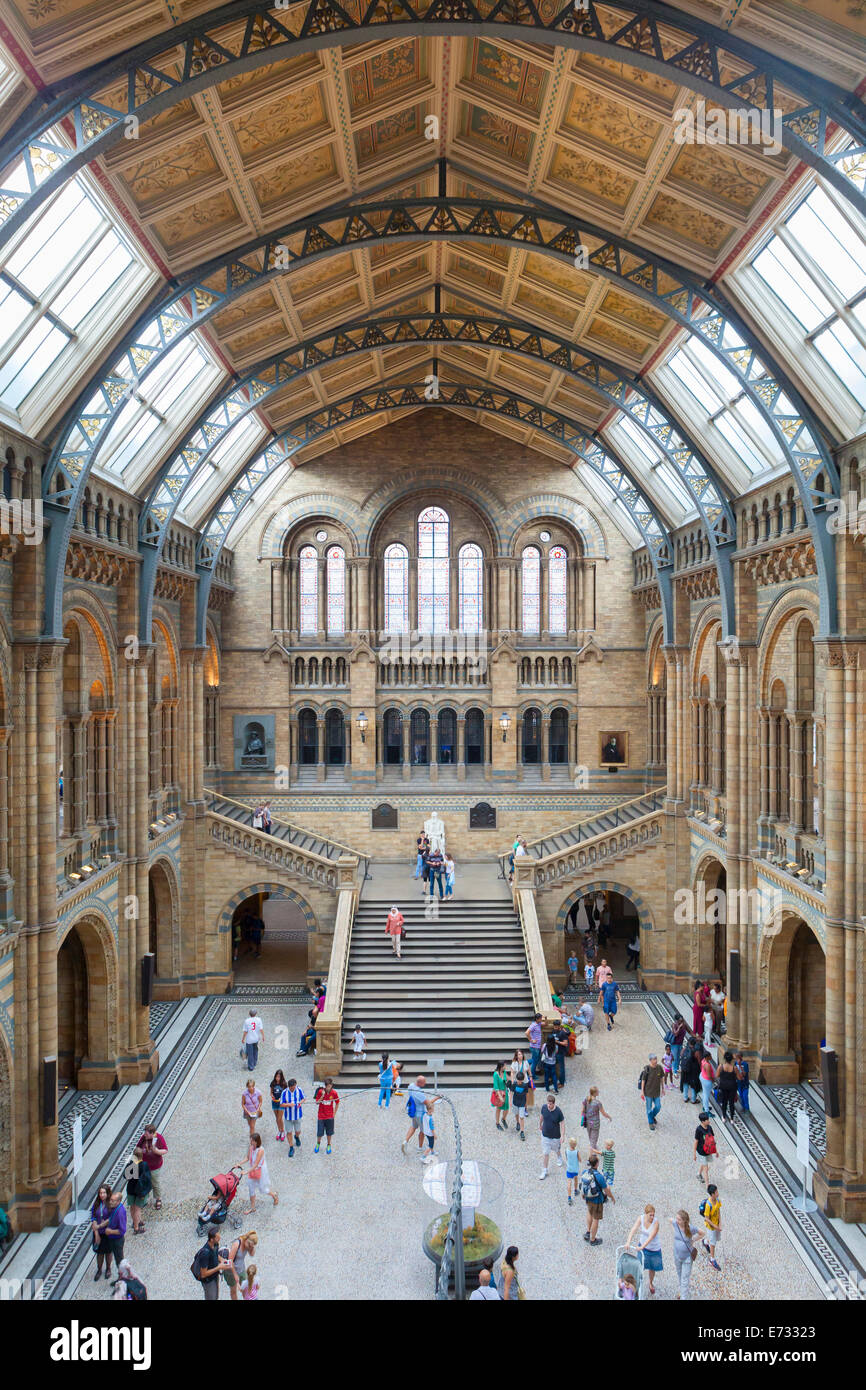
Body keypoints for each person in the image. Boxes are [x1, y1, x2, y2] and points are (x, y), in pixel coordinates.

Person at [627, 1203, 663, 1295]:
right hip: (642, 1246)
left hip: (654, 1249)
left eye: (653, 1215)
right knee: (639, 1267)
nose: (652, 1217)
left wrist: (642, 1247)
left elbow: (651, 1237)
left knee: (652, 1268)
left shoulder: (656, 1222)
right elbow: (633, 1229)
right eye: (650, 1215)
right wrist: (628, 1241)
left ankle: (650, 1283)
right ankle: (635, 1286)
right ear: (645, 1214)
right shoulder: (641, 1218)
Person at [580, 1154, 614, 1245]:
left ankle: (588, 1232)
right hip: (597, 1200)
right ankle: (593, 1239)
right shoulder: (599, 1176)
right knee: (596, 1219)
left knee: (589, 1213)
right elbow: (606, 1190)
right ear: (597, 1164)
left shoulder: (585, 1172)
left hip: (588, 1198)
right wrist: (612, 1197)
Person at [241, 1131, 278, 1213]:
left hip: (259, 1171)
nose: (250, 1142)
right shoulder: (251, 1147)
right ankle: (252, 1208)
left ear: (256, 1141)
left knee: (263, 1189)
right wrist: (239, 1163)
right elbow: (247, 1158)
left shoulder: (261, 1150)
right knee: (251, 1188)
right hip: (252, 1170)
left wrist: (246, 1172)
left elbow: (255, 1164)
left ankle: (274, 1196)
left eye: (252, 1141)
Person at [194, 1225, 232, 1301]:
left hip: (214, 1276)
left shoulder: (215, 1244)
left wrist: (221, 1260)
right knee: (211, 1297)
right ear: (211, 1239)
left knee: (215, 1296)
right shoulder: (205, 1254)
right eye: (217, 1237)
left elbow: (215, 1254)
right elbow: (203, 1274)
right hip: (208, 1281)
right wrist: (219, 1267)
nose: (220, 1238)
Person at [402, 1074, 436, 1154]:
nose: (425, 1083)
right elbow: (428, 1103)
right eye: (424, 1082)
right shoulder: (419, 1093)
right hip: (420, 1114)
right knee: (423, 1131)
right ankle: (420, 1148)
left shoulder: (410, 1086)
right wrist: (437, 1098)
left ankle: (405, 1141)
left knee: (413, 1127)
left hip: (413, 1112)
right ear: (420, 1083)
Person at [137, 1124, 167, 1211]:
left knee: (155, 1182)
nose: (144, 1135)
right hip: (145, 1166)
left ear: (152, 1133)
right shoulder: (144, 1138)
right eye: (145, 1133)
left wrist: (156, 1151)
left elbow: (165, 1150)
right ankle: (145, 1198)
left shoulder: (159, 1138)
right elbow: (138, 1147)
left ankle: (158, 1198)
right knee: (145, 1182)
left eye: (146, 1134)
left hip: (155, 1166)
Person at [222, 1230, 257, 1301]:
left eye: (251, 1245)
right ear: (246, 1239)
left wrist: (252, 1247)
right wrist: (235, 1275)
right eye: (249, 1244)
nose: (249, 1247)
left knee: (245, 1289)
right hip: (231, 1272)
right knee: (234, 1291)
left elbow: (252, 1254)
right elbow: (229, 1261)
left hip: (241, 1270)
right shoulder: (236, 1244)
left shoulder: (249, 1245)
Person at [538, 1091, 564, 1180]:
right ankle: (544, 1170)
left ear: (554, 1104)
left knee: (556, 1149)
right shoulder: (544, 1108)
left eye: (550, 1104)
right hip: (545, 1135)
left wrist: (563, 1136)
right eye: (548, 1104)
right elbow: (542, 1116)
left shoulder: (558, 1111)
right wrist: (540, 1124)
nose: (548, 1106)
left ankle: (559, 1157)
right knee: (546, 1153)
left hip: (555, 1136)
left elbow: (562, 1123)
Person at [670, 1211, 697, 1300]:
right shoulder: (675, 1223)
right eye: (676, 1218)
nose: (677, 1220)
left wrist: (693, 1240)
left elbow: (702, 1233)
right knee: (680, 1274)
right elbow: (669, 1220)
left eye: (679, 1219)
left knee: (684, 1278)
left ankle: (683, 1297)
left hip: (687, 1258)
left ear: (684, 1221)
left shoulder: (691, 1228)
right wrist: (674, 1231)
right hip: (677, 1255)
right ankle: (682, 1291)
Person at [90, 1182, 114, 1281]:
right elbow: (93, 1217)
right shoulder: (96, 1204)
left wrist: (103, 1224)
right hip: (98, 1232)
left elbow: (112, 1218)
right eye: (100, 1193)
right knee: (99, 1253)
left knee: (108, 1252)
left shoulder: (111, 1204)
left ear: (107, 1194)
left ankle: (108, 1268)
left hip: (108, 1232)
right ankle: (99, 1269)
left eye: (104, 1193)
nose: (102, 1195)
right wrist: (96, 1233)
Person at [125, 1148, 152, 1234]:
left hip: (130, 1189)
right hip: (140, 1191)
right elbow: (147, 1178)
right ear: (141, 1156)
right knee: (137, 1209)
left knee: (132, 1208)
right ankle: (136, 1228)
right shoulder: (144, 1165)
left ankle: (136, 1221)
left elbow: (126, 1176)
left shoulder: (130, 1165)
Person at [314, 1078, 340, 1155]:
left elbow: (337, 1102)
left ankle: (328, 1145)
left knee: (329, 1132)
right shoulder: (320, 1092)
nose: (328, 1088)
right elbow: (317, 1102)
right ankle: (318, 1143)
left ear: (331, 1085)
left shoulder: (334, 1093)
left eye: (330, 1086)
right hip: (321, 1116)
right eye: (327, 1086)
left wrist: (334, 1113)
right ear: (325, 1086)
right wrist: (322, 1096)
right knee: (319, 1132)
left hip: (329, 1116)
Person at [280, 1077, 305, 1156]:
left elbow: (304, 1098)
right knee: (289, 1132)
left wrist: (300, 1103)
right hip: (288, 1117)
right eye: (292, 1088)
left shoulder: (299, 1090)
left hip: (297, 1115)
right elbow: (281, 1104)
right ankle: (291, 1147)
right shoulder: (284, 1092)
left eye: (294, 1087)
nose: (293, 1089)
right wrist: (288, 1104)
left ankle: (296, 1136)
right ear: (289, 1087)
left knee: (298, 1131)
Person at [640, 1052, 664, 1131]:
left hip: (657, 1092)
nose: (655, 1060)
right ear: (650, 1060)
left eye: (656, 1059)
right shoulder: (647, 1069)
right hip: (648, 1093)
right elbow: (643, 1080)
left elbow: (661, 1078)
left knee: (658, 1106)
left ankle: (652, 1116)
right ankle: (651, 1122)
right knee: (649, 1109)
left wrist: (663, 1089)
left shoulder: (659, 1068)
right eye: (654, 1059)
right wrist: (642, 1091)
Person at [700, 1184, 722, 1271]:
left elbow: (719, 1211)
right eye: (716, 1192)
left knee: (715, 1239)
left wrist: (720, 1223)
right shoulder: (708, 1205)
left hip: (716, 1225)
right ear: (712, 1194)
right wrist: (715, 1226)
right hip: (711, 1227)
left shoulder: (717, 1200)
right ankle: (712, 1260)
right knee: (713, 1243)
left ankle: (705, 1242)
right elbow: (707, 1218)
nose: (717, 1193)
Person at [581, 1086, 610, 1151]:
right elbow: (603, 1113)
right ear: (594, 1093)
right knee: (594, 1137)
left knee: (590, 1135)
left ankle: (593, 1145)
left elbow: (582, 1110)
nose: (598, 1092)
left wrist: (583, 1119)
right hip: (595, 1123)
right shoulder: (598, 1103)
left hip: (587, 1122)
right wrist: (609, 1117)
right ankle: (592, 1153)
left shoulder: (586, 1099)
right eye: (597, 1091)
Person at [104, 1191, 127, 1271]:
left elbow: (122, 1230)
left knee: (119, 1261)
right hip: (112, 1238)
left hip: (117, 1240)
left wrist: (110, 1231)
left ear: (118, 1201)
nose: (110, 1202)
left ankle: (122, 1277)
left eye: (113, 1201)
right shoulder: (115, 1208)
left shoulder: (120, 1212)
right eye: (110, 1200)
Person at [694, 1111, 717, 1185]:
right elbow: (696, 1141)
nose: (709, 1121)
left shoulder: (709, 1127)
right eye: (707, 1120)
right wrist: (694, 1154)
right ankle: (707, 1186)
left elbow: (712, 1139)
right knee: (706, 1169)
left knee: (705, 1164)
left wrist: (716, 1151)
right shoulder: (699, 1130)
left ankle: (698, 1174)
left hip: (708, 1150)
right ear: (703, 1121)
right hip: (701, 1151)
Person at [510, 1064, 532, 1141]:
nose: (519, 1082)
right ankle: (517, 1123)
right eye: (518, 1080)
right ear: (517, 1079)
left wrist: (526, 1103)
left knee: (522, 1117)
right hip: (515, 1102)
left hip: (522, 1103)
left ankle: (522, 1131)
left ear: (522, 1080)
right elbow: (511, 1092)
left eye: (520, 1080)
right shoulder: (514, 1084)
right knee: (516, 1114)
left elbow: (527, 1094)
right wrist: (510, 1101)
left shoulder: (525, 1085)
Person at [716, 1050, 739, 1121]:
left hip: (723, 1086)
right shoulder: (734, 1068)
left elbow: (717, 1075)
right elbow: (739, 1077)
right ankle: (732, 1118)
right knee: (731, 1102)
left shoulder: (721, 1066)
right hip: (732, 1086)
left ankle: (723, 1117)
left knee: (724, 1101)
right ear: (731, 1059)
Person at [679, 1035, 701, 1104]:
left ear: (688, 1043)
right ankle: (693, 1100)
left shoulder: (684, 1049)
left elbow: (681, 1056)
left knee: (685, 1083)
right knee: (693, 1085)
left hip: (685, 1070)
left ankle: (685, 1098)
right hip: (693, 1071)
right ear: (695, 1043)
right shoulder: (696, 1051)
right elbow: (699, 1062)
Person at [492, 1060, 510, 1130]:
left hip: (505, 1093)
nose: (506, 1067)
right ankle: (497, 1123)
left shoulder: (504, 1072)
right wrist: (500, 1097)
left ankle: (503, 1119)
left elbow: (508, 1079)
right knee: (498, 1109)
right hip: (498, 1093)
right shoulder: (495, 1074)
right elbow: (496, 1087)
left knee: (506, 1108)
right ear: (501, 1067)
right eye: (505, 1065)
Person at [270, 1069, 288, 1141]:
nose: (277, 1078)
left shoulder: (284, 1084)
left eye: (279, 1077)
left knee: (279, 1118)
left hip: (281, 1103)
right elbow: (271, 1092)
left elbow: (286, 1094)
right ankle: (279, 1131)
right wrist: (272, 1096)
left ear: (281, 1077)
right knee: (276, 1118)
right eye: (276, 1076)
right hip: (274, 1102)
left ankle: (282, 1131)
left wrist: (282, 1098)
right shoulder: (273, 1083)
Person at [552, 1019, 570, 1089]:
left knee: (561, 1068)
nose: (555, 1028)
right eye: (554, 1026)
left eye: (556, 1027)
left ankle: (562, 1083)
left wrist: (557, 1042)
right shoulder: (553, 1031)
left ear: (559, 1026)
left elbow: (565, 1043)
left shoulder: (562, 1033)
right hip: (555, 1052)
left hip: (560, 1052)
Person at [525, 1013, 543, 1078]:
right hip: (534, 1047)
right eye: (540, 1018)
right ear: (537, 1019)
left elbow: (545, 1024)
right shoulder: (533, 1025)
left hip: (537, 1046)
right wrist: (531, 1040)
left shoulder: (539, 1024)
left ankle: (525, 1062)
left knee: (534, 1059)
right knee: (535, 1061)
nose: (541, 1019)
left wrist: (546, 1018)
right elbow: (526, 1033)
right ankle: (532, 1075)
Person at [565, 1136, 581, 1205]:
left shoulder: (566, 1150)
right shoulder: (576, 1152)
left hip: (569, 1169)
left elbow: (566, 1158)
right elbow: (580, 1160)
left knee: (569, 1182)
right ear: (575, 1145)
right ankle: (575, 1190)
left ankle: (569, 1197)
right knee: (576, 1179)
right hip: (575, 1169)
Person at [420, 1100, 437, 1165]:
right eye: (433, 1108)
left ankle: (433, 1152)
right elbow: (432, 1128)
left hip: (426, 1132)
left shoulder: (424, 1114)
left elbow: (422, 1120)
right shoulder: (430, 1118)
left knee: (431, 1143)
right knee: (430, 1145)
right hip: (430, 1133)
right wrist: (434, 1134)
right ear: (431, 1109)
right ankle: (423, 1157)